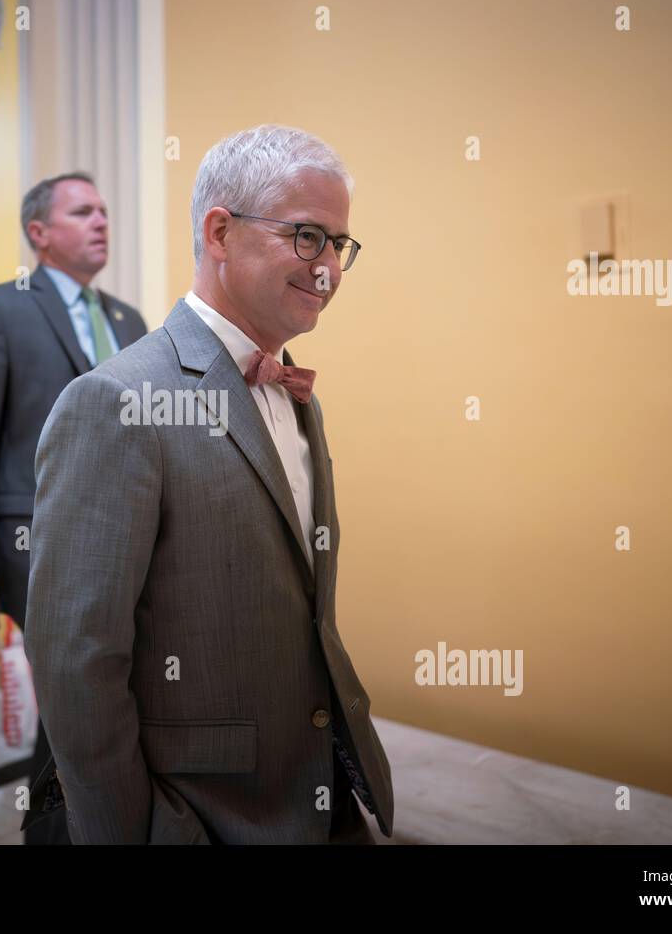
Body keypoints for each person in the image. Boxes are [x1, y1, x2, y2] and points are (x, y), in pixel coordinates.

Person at [23, 125, 395, 843]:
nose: (329, 270)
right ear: (220, 232)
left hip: (320, 796)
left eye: (339, 246)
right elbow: (76, 660)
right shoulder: (116, 400)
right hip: (199, 815)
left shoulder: (298, 397)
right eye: (308, 237)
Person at [0, 172, 146, 844]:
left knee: (109, 699)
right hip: (35, 543)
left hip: (130, 540)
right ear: (39, 233)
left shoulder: (127, 320)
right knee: (70, 705)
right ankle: (49, 833)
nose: (101, 221)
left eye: (104, 211)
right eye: (82, 211)